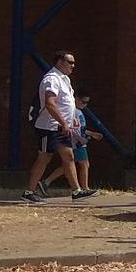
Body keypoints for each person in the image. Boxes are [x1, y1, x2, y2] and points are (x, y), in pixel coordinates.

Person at [23, 51, 81, 202]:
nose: (73, 66)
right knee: (44, 157)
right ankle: (29, 192)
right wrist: (63, 122)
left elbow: (66, 103)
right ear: (60, 62)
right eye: (70, 62)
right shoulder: (51, 79)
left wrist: (71, 120)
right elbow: (50, 103)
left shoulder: (65, 79)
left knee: (69, 156)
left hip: (62, 128)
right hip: (49, 127)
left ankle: (77, 191)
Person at [43, 94, 98, 200]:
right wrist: (79, 139)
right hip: (76, 143)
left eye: (87, 103)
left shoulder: (79, 112)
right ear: (76, 99)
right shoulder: (74, 112)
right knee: (84, 163)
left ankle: (47, 181)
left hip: (78, 141)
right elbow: (72, 128)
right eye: (83, 102)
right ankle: (84, 187)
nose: (85, 105)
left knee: (69, 165)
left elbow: (80, 128)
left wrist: (91, 134)